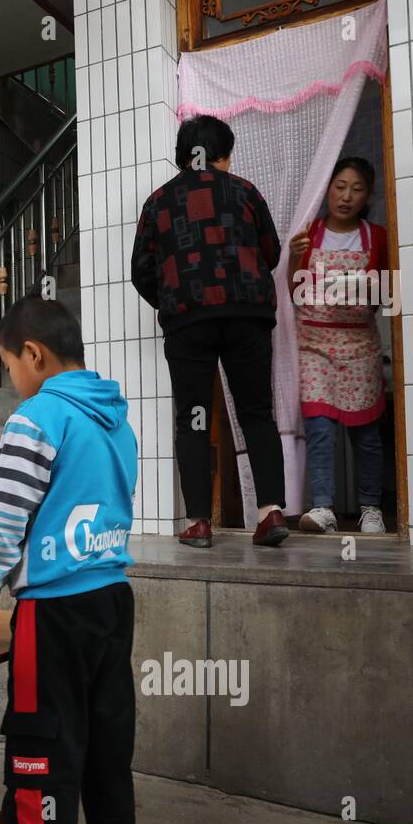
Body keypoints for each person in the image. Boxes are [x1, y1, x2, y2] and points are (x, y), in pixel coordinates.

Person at [0, 295, 137, 824]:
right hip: (112, 599)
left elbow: (3, 521)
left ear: (33, 354)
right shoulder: (116, 421)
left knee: (40, 757)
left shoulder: (36, 418)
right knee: (108, 752)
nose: (12, 381)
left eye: (10, 366)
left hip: (53, 616)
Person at [130, 114, 289, 548]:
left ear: (185, 155)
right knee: (256, 413)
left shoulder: (159, 202)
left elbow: (140, 271)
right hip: (247, 318)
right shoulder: (245, 192)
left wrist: (175, 303)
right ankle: (271, 513)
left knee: (194, 419)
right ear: (222, 154)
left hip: (188, 324)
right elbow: (271, 253)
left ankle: (199, 522)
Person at [288, 157, 389, 534]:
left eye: (357, 189)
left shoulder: (376, 236)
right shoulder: (307, 233)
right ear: (326, 188)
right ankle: (324, 507)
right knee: (319, 428)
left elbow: (388, 296)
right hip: (313, 344)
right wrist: (294, 260)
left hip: (360, 344)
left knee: (366, 435)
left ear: (367, 196)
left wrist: (362, 290)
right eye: (340, 186)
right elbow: (294, 293)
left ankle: (370, 508)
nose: (346, 196)